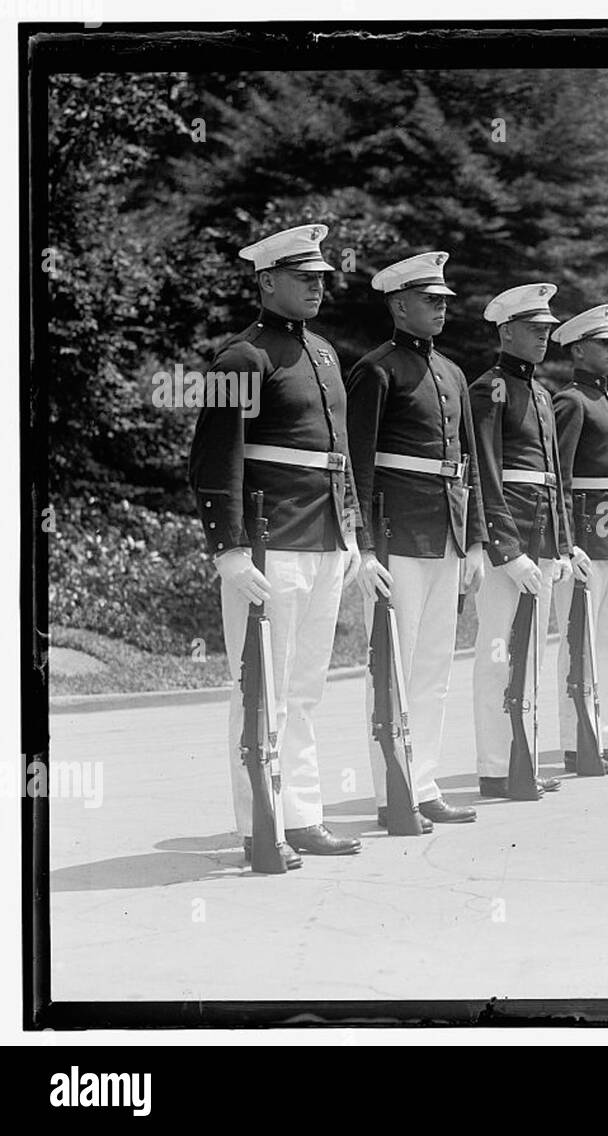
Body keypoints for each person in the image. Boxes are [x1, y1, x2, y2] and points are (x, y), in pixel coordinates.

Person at [189, 223, 368, 860]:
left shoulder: (322, 353)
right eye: (304, 277)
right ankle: (257, 826)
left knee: (305, 689)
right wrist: (228, 549)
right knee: (258, 688)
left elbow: (339, 458)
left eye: (322, 277)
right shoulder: (242, 358)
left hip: (320, 541)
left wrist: (350, 535)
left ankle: (303, 815)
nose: (318, 286)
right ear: (267, 282)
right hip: (268, 546)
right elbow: (214, 459)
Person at [345, 250, 483, 830]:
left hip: (446, 536)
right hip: (399, 535)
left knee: (434, 671)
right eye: (431, 301)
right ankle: (393, 793)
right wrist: (365, 547)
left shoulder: (452, 373)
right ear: (399, 305)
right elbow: (357, 466)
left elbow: (468, 464)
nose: (442, 310)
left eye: (445, 301)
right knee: (395, 669)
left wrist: (475, 541)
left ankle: (424, 783)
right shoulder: (377, 371)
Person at [468, 283, 573, 800]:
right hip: (510, 541)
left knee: (528, 653)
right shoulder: (490, 389)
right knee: (497, 652)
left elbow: (553, 475)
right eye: (535, 330)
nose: (544, 338)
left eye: (549, 330)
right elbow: (486, 475)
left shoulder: (542, 394)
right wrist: (506, 551)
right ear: (506, 331)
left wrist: (565, 542)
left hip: (544, 536)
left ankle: (522, 756)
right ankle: (495, 765)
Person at [550, 305, 608, 774]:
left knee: (607, 641)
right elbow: (560, 477)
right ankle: (576, 740)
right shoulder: (571, 402)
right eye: (603, 344)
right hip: (586, 531)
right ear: (578, 349)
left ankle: (599, 735)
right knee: (579, 640)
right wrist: (568, 540)